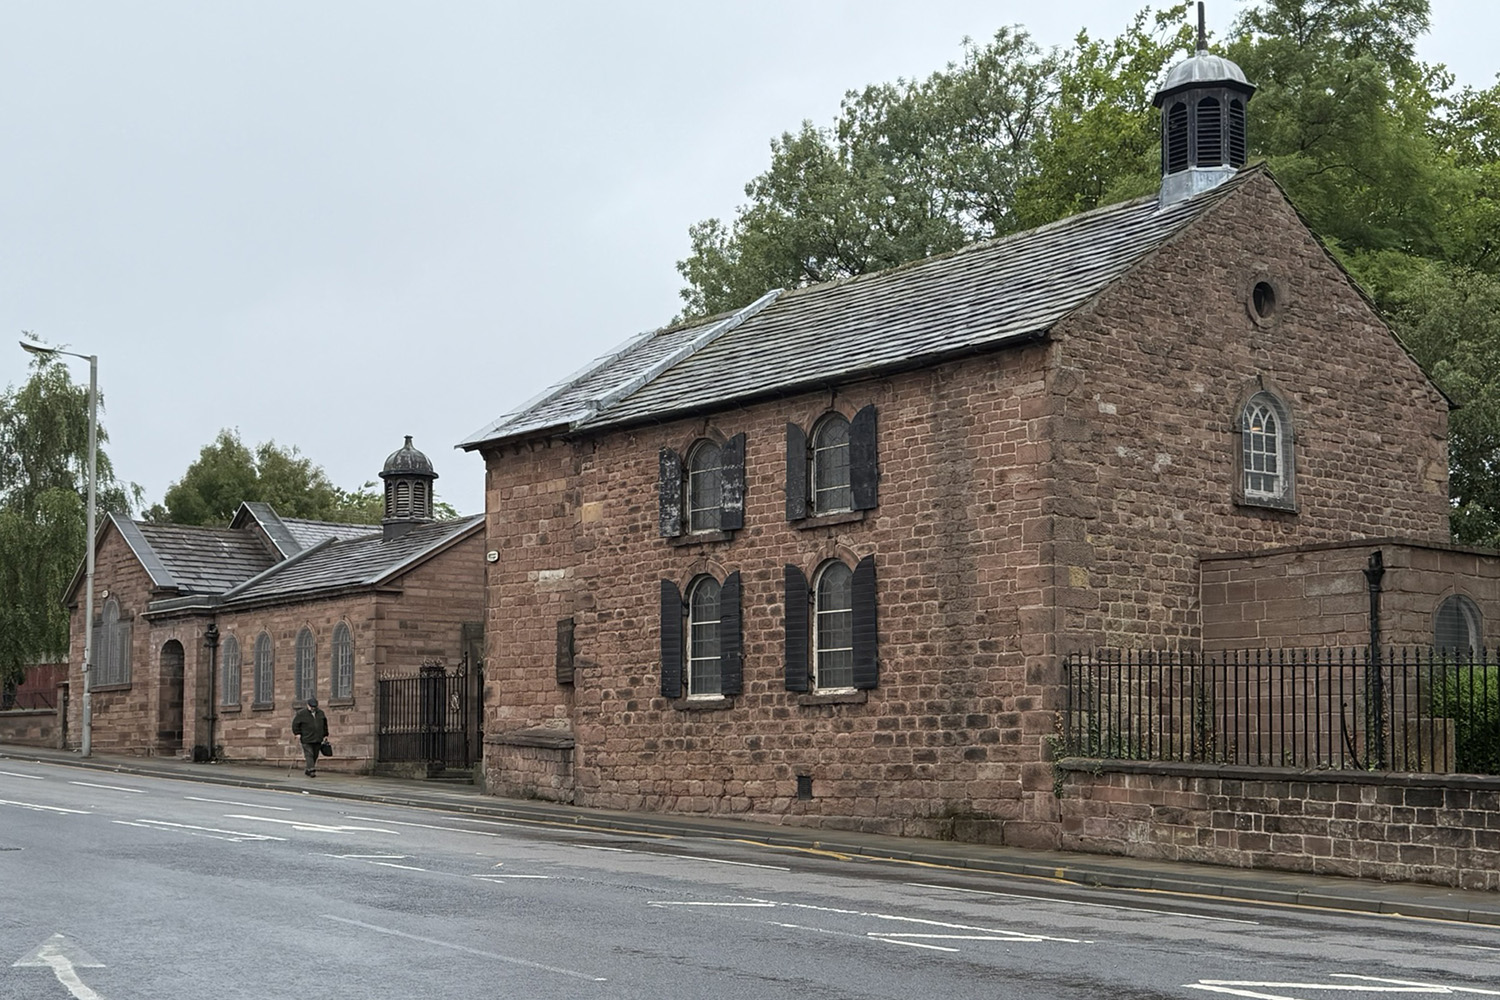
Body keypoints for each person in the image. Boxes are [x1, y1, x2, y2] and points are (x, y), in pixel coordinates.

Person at [291, 697, 328, 777]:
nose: (313, 708)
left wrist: (325, 735)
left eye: (314, 707)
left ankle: (308, 769)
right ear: (308, 705)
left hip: (318, 738)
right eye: (311, 707)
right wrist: (297, 733)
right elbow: (295, 724)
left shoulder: (321, 713)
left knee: (315, 755)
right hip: (306, 738)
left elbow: (324, 725)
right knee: (309, 754)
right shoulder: (301, 713)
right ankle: (311, 770)